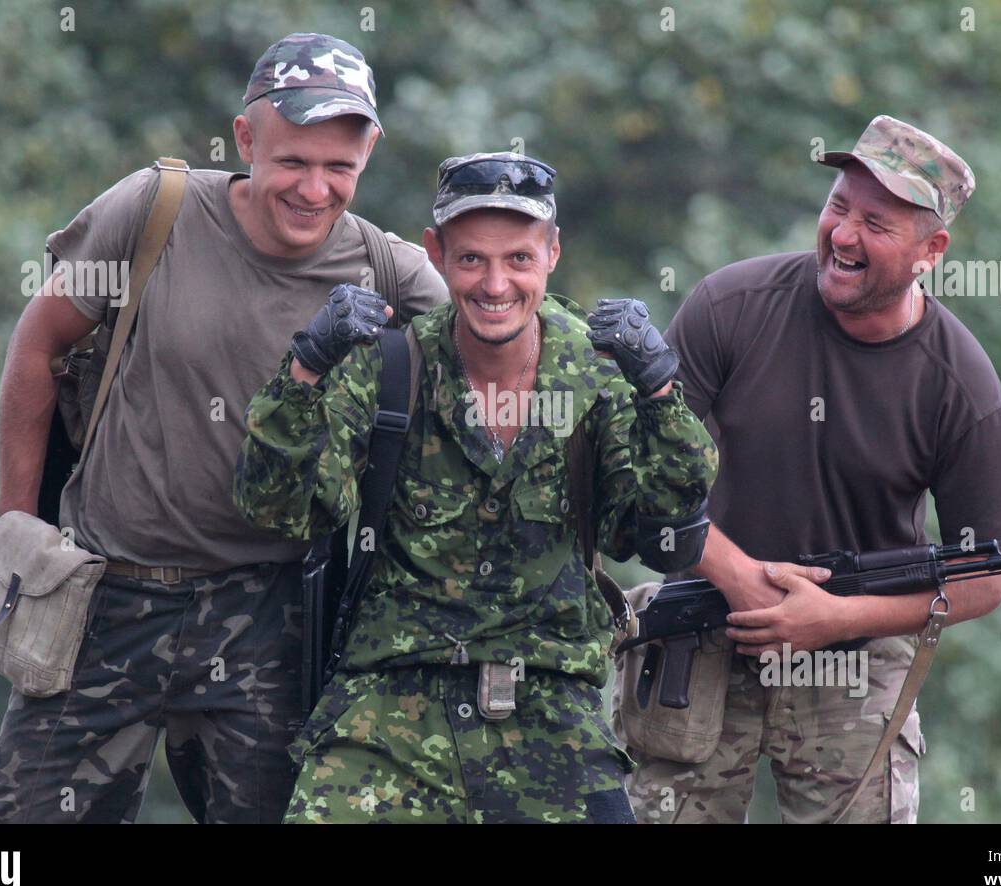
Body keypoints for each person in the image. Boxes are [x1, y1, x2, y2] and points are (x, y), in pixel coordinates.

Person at [0, 33, 446, 823]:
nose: (315, 188)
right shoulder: (152, 212)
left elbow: (500, 350)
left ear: (369, 154)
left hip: (269, 615)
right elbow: (38, 345)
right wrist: (18, 529)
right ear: (246, 140)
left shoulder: (388, 270)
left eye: (339, 167)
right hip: (104, 595)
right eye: (293, 161)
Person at [234, 152, 718, 823]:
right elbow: (279, 510)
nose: (495, 285)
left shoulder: (597, 373)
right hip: (390, 708)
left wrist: (660, 388)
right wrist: (307, 369)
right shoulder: (392, 365)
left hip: (550, 706)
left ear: (552, 253)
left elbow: (658, 529)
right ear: (435, 253)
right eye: (470, 260)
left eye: (518, 259)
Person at [625, 115, 1001, 824]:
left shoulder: (962, 386)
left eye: (876, 223)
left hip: (855, 657)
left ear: (931, 251)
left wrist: (836, 618)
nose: (843, 235)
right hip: (703, 629)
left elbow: (985, 579)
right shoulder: (731, 307)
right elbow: (637, 476)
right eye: (839, 207)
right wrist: (737, 576)